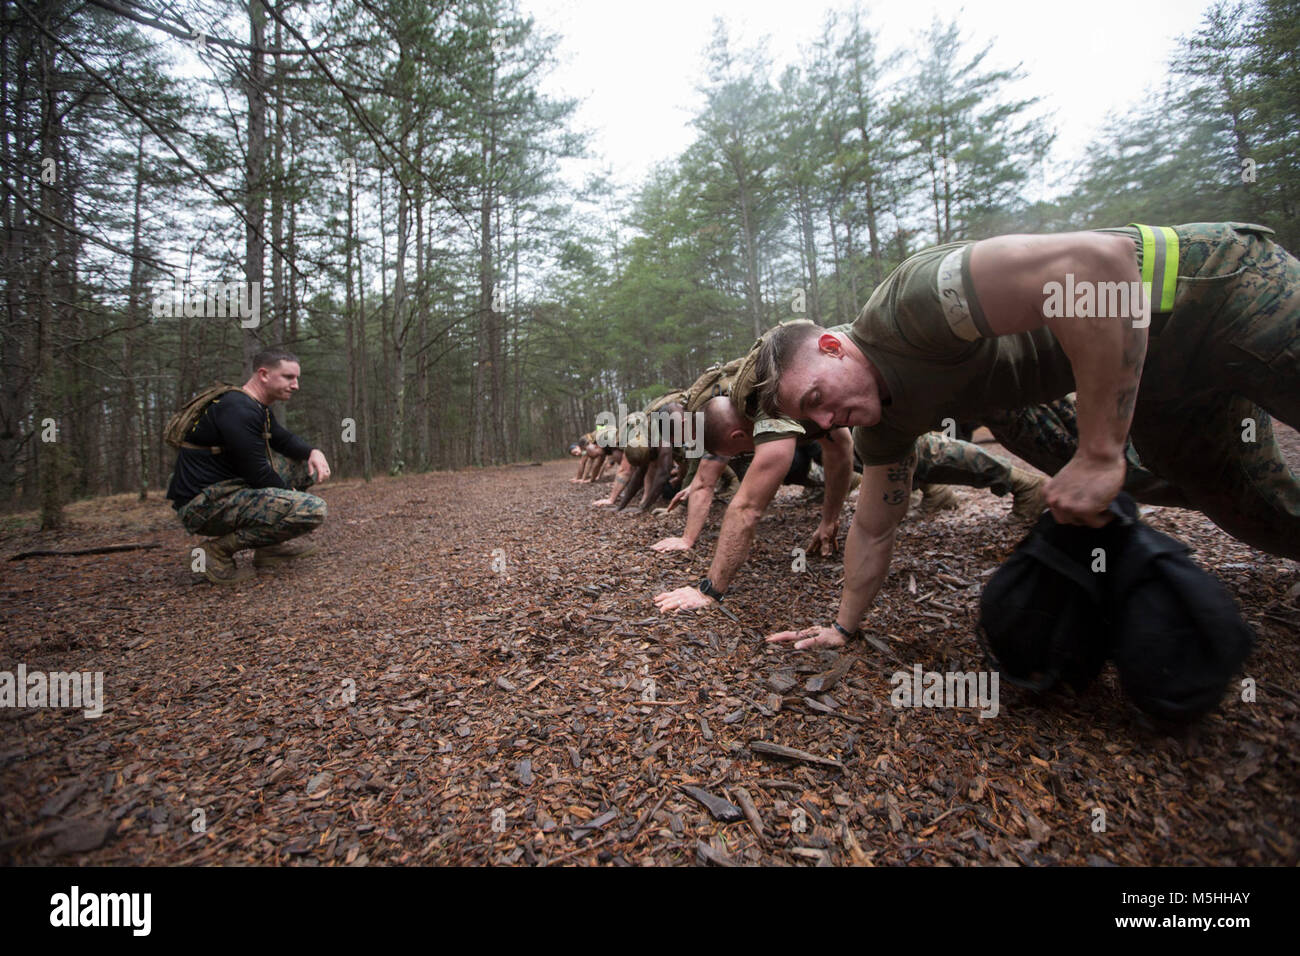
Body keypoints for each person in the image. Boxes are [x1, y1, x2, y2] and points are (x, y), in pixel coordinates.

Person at [743, 221, 1298, 649]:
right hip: (1157, 378)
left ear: (833, 348)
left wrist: (1099, 452)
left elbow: (1098, 265)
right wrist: (843, 627)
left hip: (1208, 292)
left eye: (816, 399)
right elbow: (873, 528)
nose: (823, 423)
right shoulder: (882, 427)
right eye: (808, 421)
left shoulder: (910, 309)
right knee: (1252, 511)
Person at [167, 348, 330, 584]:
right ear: (263, 374)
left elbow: (282, 439)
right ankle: (216, 552)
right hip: (203, 504)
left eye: (297, 378)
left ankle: (270, 547)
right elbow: (256, 472)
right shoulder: (237, 409)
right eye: (288, 377)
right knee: (312, 510)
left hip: (226, 489)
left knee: (304, 467)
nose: (295, 386)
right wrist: (290, 499)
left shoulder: (255, 406)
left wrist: (313, 452)